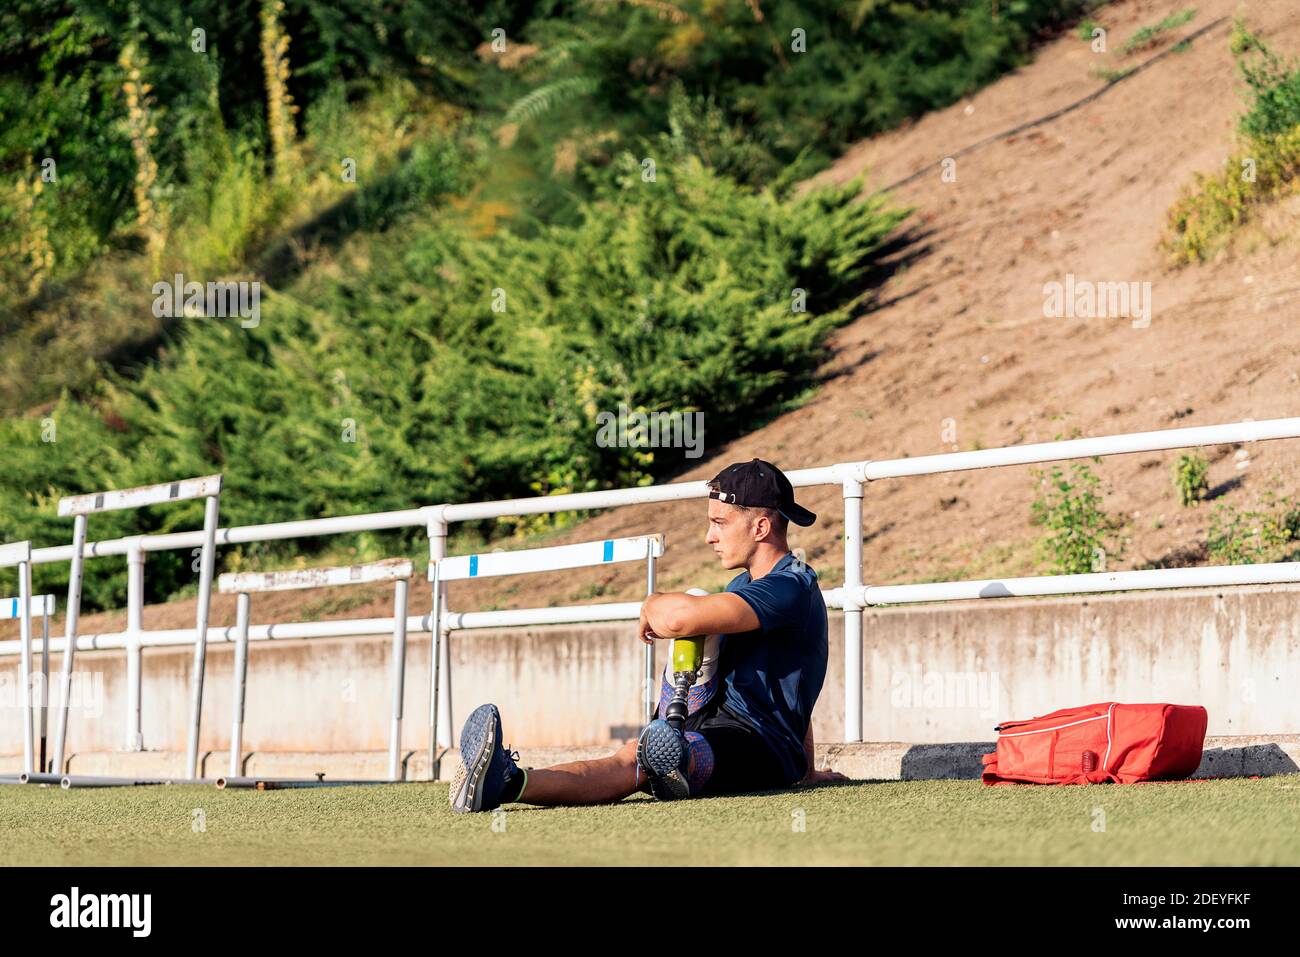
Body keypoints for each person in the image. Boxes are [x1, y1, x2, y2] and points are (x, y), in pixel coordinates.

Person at [449, 458, 846, 812]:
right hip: (718, 719)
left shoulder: (790, 587)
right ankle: (508, 779)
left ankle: (675, 762)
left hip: (758, 746)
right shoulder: (747, 584)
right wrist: (807, 769)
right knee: (631, 757)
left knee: (642, 756)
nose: (709, 536)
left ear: (760, 526)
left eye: (719, 523)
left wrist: (651, 602)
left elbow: (676, 620)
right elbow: (795, 681)